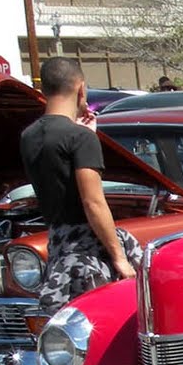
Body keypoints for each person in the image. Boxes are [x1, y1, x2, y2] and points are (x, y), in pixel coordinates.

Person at [17, 56, 141, 312]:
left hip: (58, 245)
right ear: (81, 87)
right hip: (87, 252)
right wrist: (120, 258)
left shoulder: (28, 136)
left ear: (44, 89)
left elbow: (56, 167)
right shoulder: (79, 137)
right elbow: (92, 201)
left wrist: (86, 135)